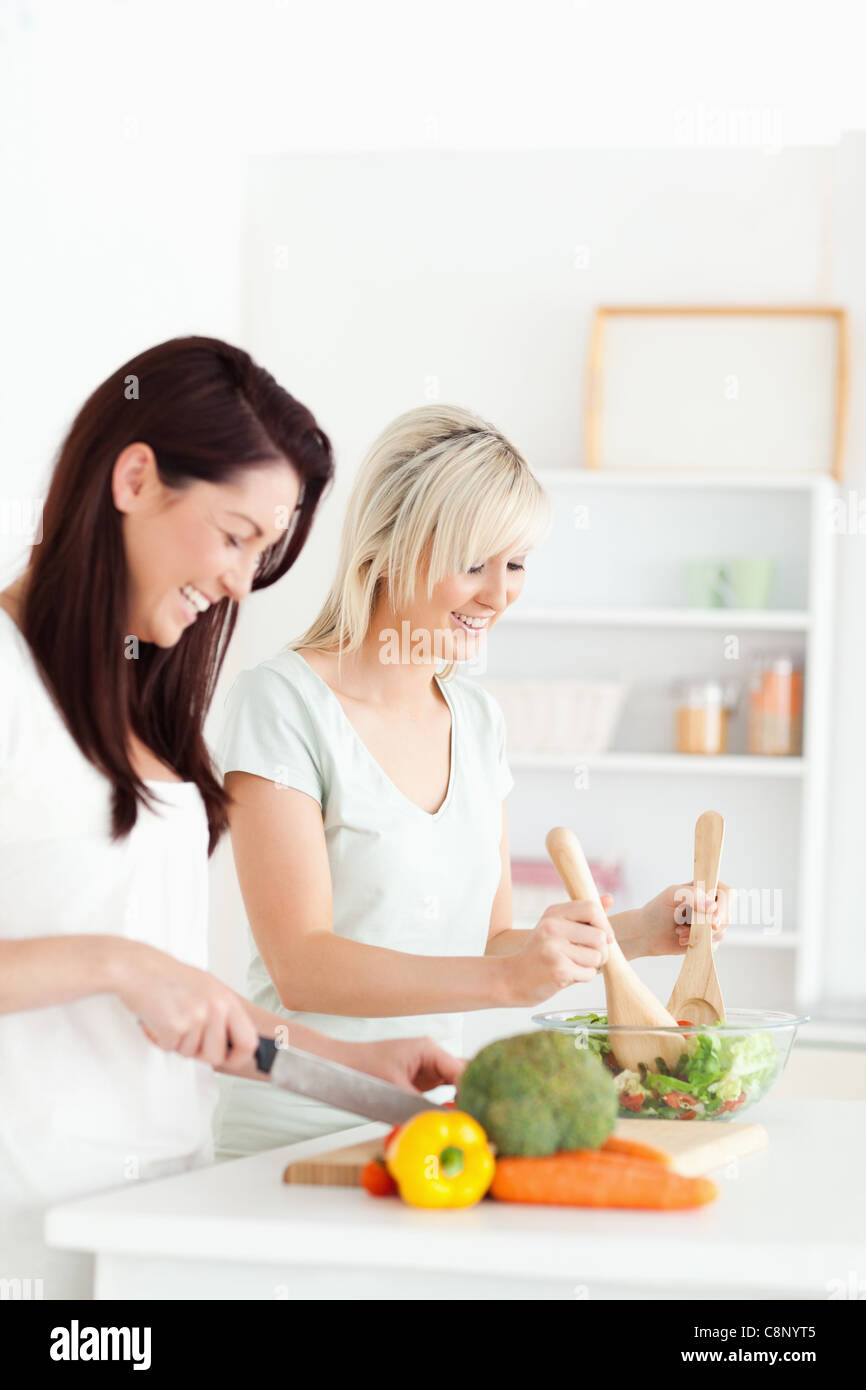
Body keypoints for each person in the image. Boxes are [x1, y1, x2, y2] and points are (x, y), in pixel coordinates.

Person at [0, 340, 461, 1298]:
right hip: (22, 1234)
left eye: (266, 551)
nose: (243, 584)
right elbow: (134, 969)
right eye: (236, 535)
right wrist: (122, 965)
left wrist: (348, 1061)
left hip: (153, 1224)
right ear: (136, 477)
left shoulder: (142, 705)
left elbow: (171, 996)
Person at [215, 404, 729, 1158]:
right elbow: (303, 968)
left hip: (427, 1132)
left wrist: (641, 933)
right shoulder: (283, 704)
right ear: (388, 547)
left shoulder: (478, 720)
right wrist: (507, 984)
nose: (499, 594)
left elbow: (493, 943)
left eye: (515, 563)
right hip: (289, 1139)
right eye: (474, 562)